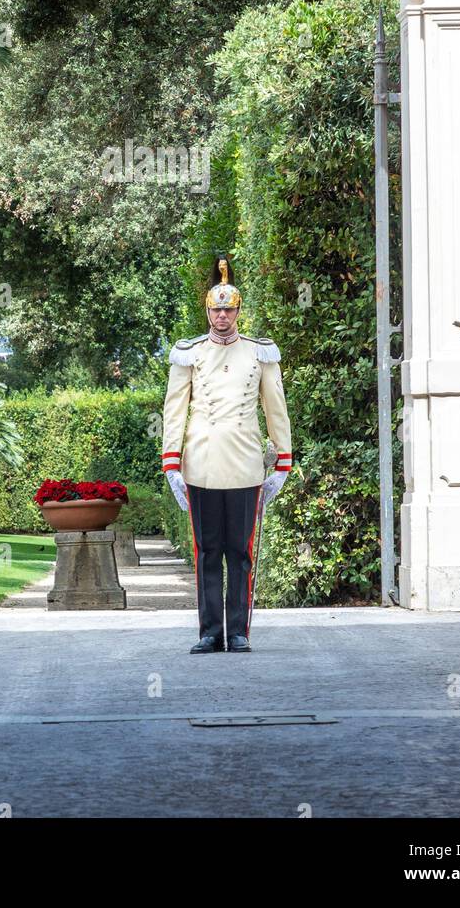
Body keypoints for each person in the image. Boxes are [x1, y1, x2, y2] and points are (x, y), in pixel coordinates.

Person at [161, 254, 292, 653]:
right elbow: (174, 409)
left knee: (240, 553)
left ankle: (237, 632)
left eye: (228, 309)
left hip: (246, 466)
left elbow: (275, 408)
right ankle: (209, 632)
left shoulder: (261, 353)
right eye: (216, 309)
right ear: (207, 311)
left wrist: (282, 461)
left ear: (238, 311)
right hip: (200, 463)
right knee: (206, 553)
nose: (222, 316)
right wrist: (172, 463)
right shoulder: (189, 353)